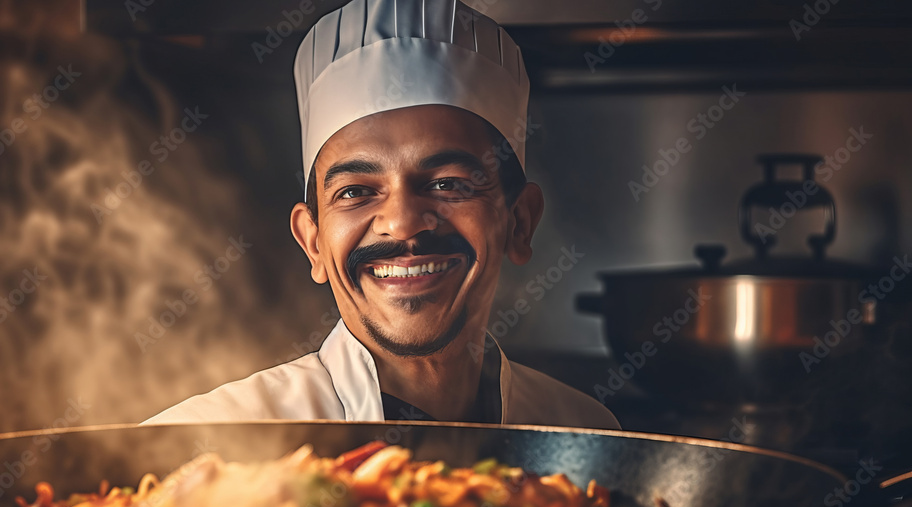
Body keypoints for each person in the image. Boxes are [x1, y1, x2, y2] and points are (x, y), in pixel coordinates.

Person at [144, 0, 619, 429]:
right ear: (313, 242)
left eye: (448, 184)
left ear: (519, 222)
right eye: (355, 192)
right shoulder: (208, 443)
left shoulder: (582, 433)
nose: (403, 222)